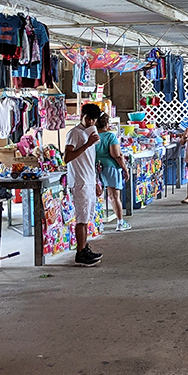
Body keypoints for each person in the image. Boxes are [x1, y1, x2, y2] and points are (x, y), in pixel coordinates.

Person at [64, 103, 102, 267]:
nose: (90, 122)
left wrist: (96, 182)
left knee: (86, 217)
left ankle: (84, 247)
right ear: (82, 116)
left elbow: (90, 161)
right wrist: (87, 144)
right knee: (81, 218)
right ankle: (80, 252)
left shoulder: (90, 133)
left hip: (89, 179)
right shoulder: (75, 133)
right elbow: (67, 157)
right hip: (79, 181)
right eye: (88, 119)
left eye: (94, 120)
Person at [95, 113, 131, 231]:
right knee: (114, 196)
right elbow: (116, 154)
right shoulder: (110, 136)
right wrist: (125, 168)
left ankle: (96, 224)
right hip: (110, 167)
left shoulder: (92, 136)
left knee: (97, 196)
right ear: (107, 124)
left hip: (95, 168)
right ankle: (120, 222)